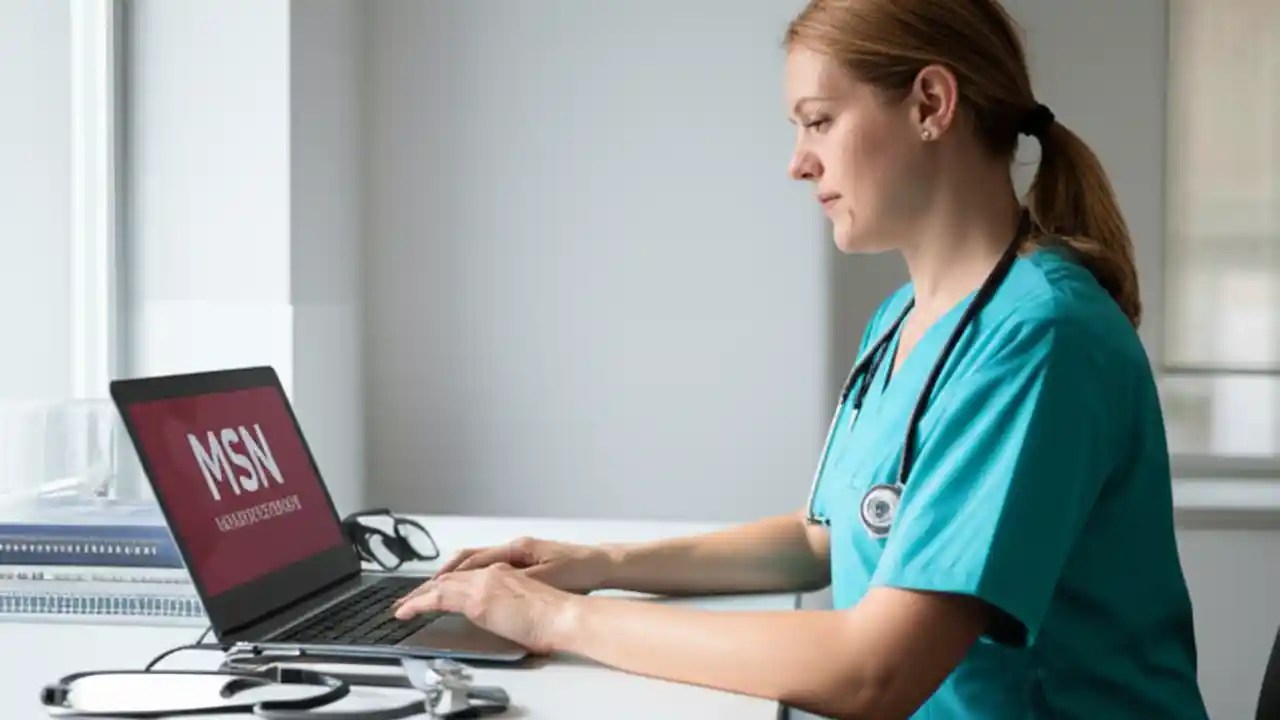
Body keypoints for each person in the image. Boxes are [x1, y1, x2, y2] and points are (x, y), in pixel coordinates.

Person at [391, 1, 1211, 717]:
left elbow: (874, 671)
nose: (798, 161)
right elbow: (826, 540)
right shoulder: (901, 321)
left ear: (931, 102)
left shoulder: (1040, 338)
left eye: (818, 120)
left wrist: (554, 621)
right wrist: (596, 566)